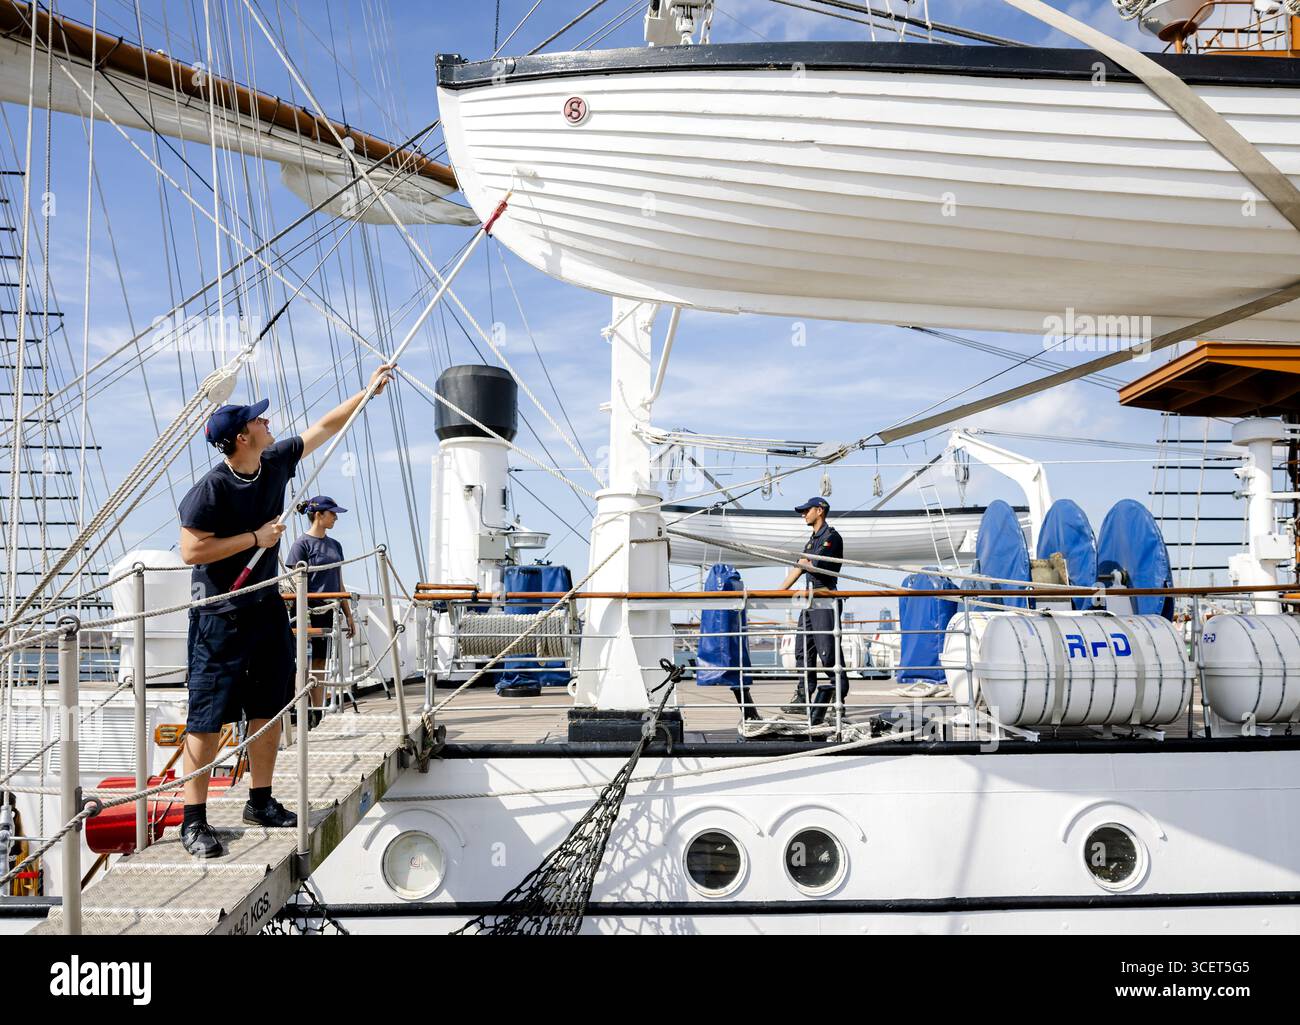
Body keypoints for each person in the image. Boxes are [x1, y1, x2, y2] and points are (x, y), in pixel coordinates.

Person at [176, 364, 393, 859]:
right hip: (219, 615)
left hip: (264, 610)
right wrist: (256, 539)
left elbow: (324, 427)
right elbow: (191, 551)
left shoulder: (273, 462)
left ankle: (260, 800)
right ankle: (195, 821)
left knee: (268, 708)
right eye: (258, 420)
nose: (267, 422)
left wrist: (367, 391)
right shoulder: (211, 490)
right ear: (240, 437)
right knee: (206, 721)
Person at [778, 497, 850, 727]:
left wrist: (806, 561)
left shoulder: (832, 537)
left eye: (806, 511)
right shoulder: (812, 541)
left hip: (824, 598)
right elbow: (800, 567)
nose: (803, 515)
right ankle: (803, 696)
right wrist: (776, 592)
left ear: (819, 511)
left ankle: (838, 698)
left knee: (827, 653)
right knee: (802, 650)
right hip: (809, 601)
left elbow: (813, 565)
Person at [286, 496, 357, 728]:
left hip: (330, 609)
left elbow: (339, 582)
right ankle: (302, 709)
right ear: (319, 515)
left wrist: (348, 614)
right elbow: (296, 583)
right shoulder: (301, 545)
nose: (336, 517)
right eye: (332, 513)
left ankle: (317, 713)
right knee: (302, 663)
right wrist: (304, 610)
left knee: (320, 662)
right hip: (307, 609)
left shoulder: (335, 545)